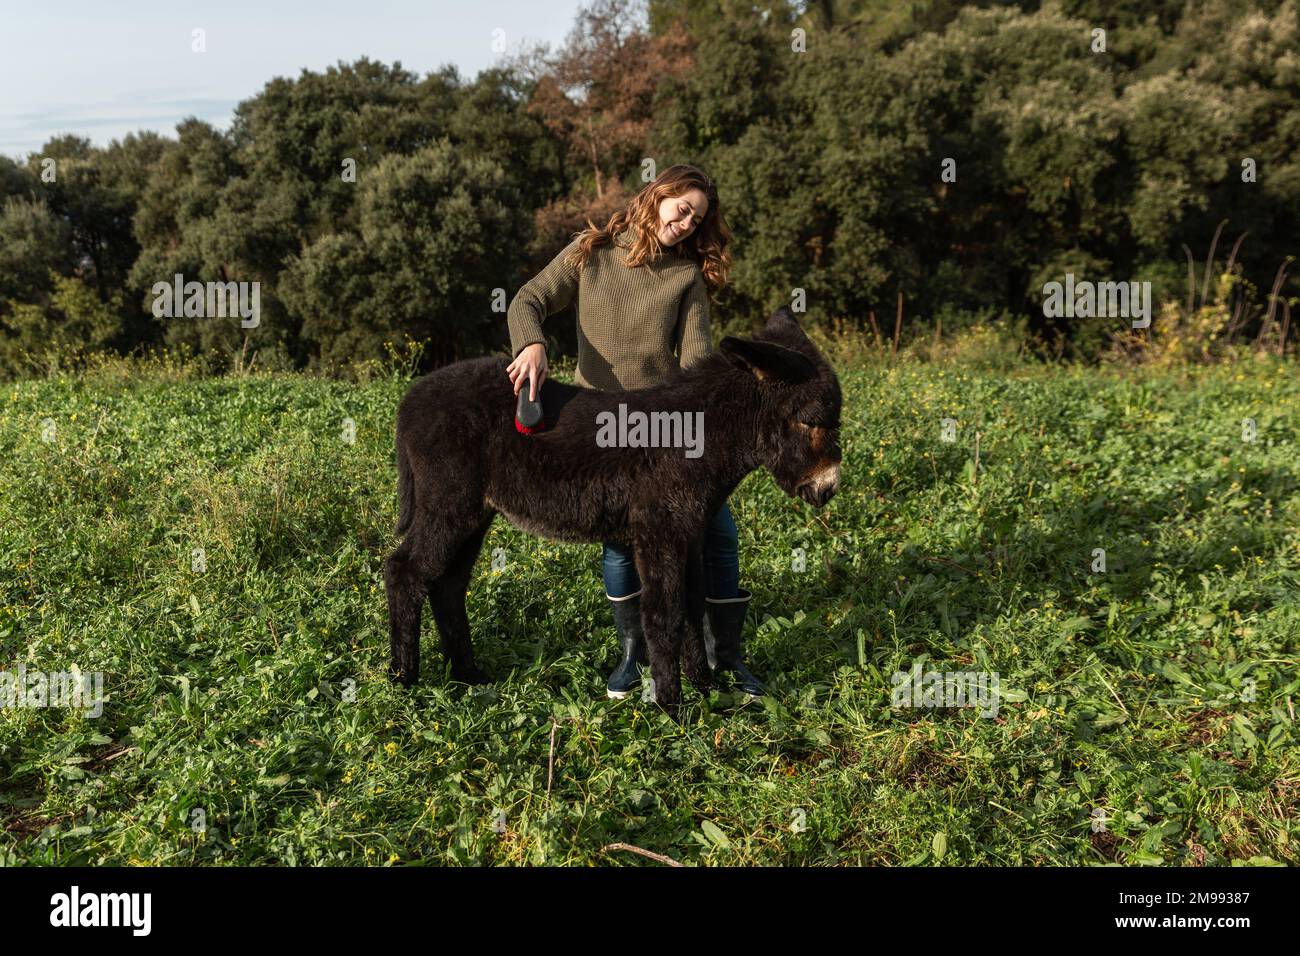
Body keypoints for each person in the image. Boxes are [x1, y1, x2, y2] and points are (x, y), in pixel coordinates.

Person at [504, 164, 763, 700]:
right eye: (682, 208)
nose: (688, 223)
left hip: (668, 423)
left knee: (718, 534)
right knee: (623, 545)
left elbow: (696, 363)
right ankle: (634, 657)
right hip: (600, 421)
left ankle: (725, 658)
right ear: (658, 195)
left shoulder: (686, 276)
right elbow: (527, 299)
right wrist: (532, 343)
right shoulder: (590, 251)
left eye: (698, 218)